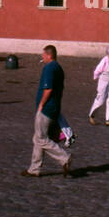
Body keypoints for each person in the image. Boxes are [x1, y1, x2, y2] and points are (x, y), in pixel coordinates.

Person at [22, 44, 73, 176]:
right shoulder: (59, 68)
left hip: (46, 108)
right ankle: (34, 169)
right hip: (55, 107)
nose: (42, 57)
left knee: (41, 139)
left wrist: (41, 104)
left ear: (49, 55)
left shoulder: (49, 68)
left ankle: (64, 158)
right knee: (38, 137)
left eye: (43, 55)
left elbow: (48, 88)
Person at [89, 45, 109, 125]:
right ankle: (92, 115)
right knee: (100, 101)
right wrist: (96, 77)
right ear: (108, 53)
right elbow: (98, 70)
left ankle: (108, 119)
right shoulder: (104, 60)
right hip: (104, 82)